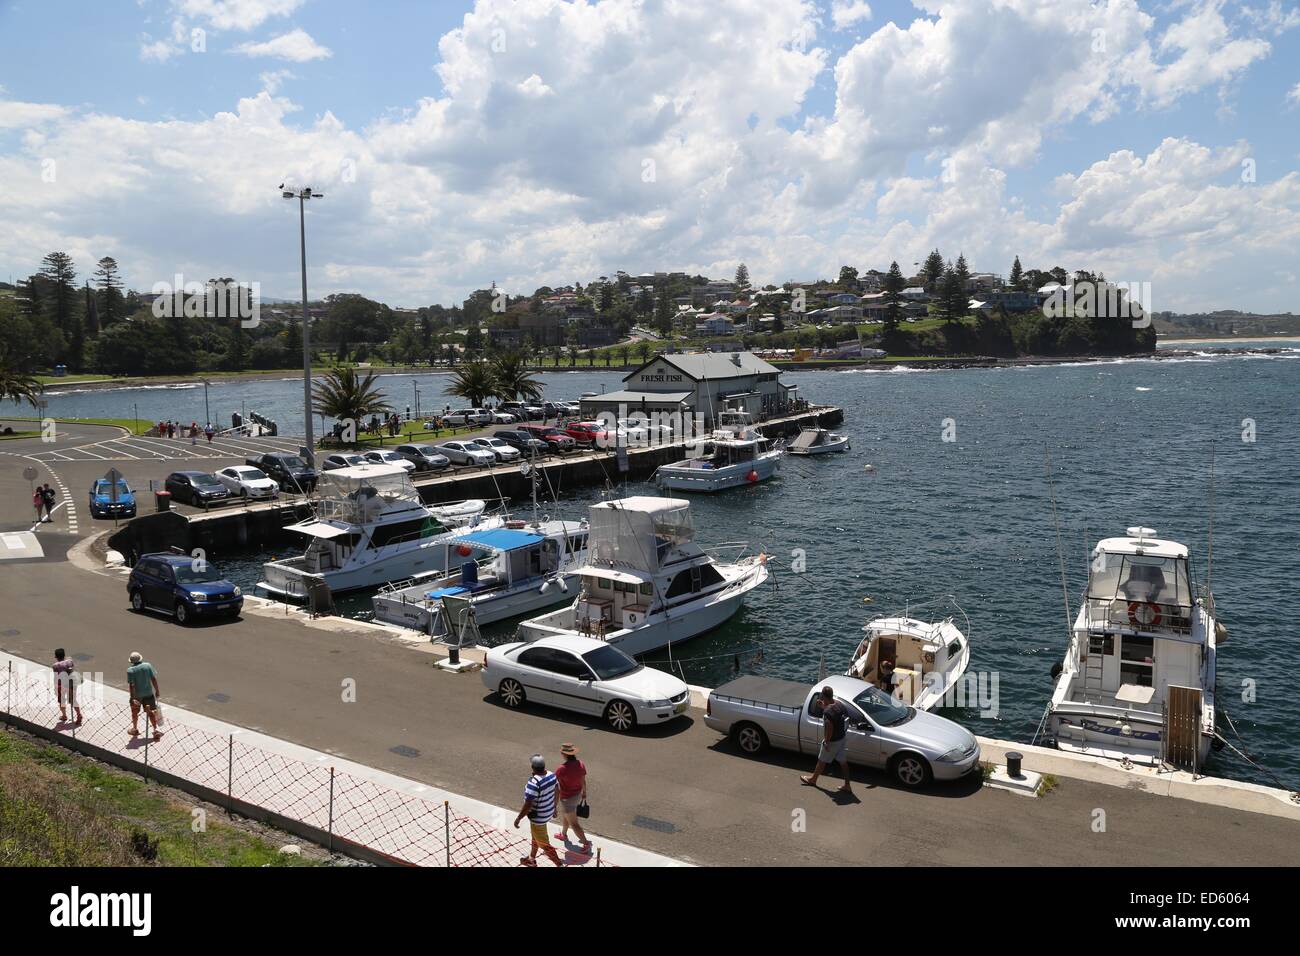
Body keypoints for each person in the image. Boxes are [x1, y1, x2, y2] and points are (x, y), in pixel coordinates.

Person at [800, 686, 853, 795]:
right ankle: (847, 785)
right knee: (843, 762)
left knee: (821, 760)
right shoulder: (839, 704)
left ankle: (813, 780)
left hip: (833, 741)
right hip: (841, 738)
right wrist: (824, 707)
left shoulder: (827, 712)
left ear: (823, 696)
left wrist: (826, 741)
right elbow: (836, 714)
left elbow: (829, 727)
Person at [514, 754, 563, 867]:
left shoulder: (534, 782)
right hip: (547, 813)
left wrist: (519, 818)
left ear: (533, 768)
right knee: (535, 836)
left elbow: (528, 804)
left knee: (544, 844)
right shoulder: (552, 775)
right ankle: (532, 858)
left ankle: (559, 864)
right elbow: (557, 791)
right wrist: (554, 807)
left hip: (538, 818)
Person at [553, 743, 590, 851]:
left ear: (564, 754)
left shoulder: (562, 769)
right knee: (567, 815)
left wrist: (553, 802)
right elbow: (583, 780)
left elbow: (555, 785)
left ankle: (585, 843)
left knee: (574, 823)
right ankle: (564, 834)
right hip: (577, 795)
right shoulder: (581, 764)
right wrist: (584, 792)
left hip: (567, 799)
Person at [126, 651, 164, 742]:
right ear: (140, 659)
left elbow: (132, 685)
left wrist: (132, 698)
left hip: (137, 696)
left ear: (131, 661)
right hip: (149, 694)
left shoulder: (130, 670)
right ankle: (155, 730)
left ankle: (135, 729)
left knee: (135, 712)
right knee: (151, 712)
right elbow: (153, 679)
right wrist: (157, 691)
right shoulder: (148, 666)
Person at [53, 648, 82, 725]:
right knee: (73, 700)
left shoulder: (55, 666)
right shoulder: (70, 661)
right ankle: (79, 715)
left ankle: (64, 716)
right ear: (64, 655)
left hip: (62, 684)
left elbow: (56, 677)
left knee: (62, 701)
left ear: (56, 657)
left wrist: (56, 687)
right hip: (72, 683)